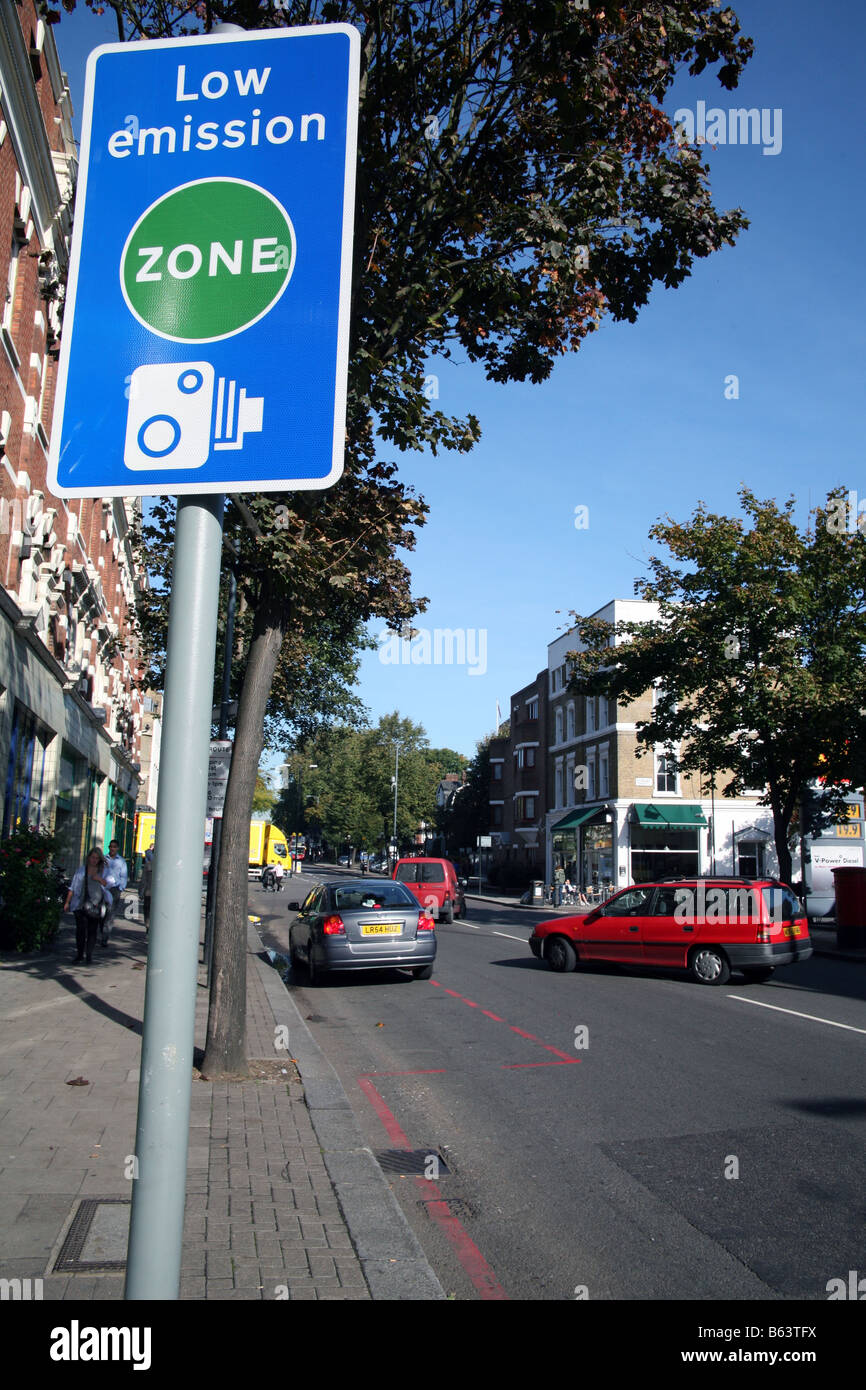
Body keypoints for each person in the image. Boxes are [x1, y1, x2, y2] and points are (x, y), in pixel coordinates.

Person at [64, 848, 113, 965]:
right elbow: (73, 887)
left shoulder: (103, 871)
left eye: (97, 858)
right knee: (80, 930)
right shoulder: (81, 871)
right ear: (88, 858)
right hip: (80, 905)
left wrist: (99, 879)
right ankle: (80, 954)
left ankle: (89, 955)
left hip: (96, 905)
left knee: (92, 931)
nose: (94, 860)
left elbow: (110, 883)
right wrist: (67, 902)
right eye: (92, 857)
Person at [101, 839, 129, 946]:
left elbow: (124, 876)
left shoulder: (121, 861)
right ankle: (102, 929)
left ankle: (105, 936)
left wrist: (121, 888)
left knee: (111, 913)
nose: (112, 848)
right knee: (101, 913)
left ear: (117, 848)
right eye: (110, 846)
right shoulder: (103, 859)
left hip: (114, 889)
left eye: (114, 847)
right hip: (103, 888)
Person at [139, 846, 153, 931]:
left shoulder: (149, 864)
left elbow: (143, 880)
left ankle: (148, 926)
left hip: (149, 893)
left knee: (147, 911)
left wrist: (141, 892)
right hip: (155, 894)